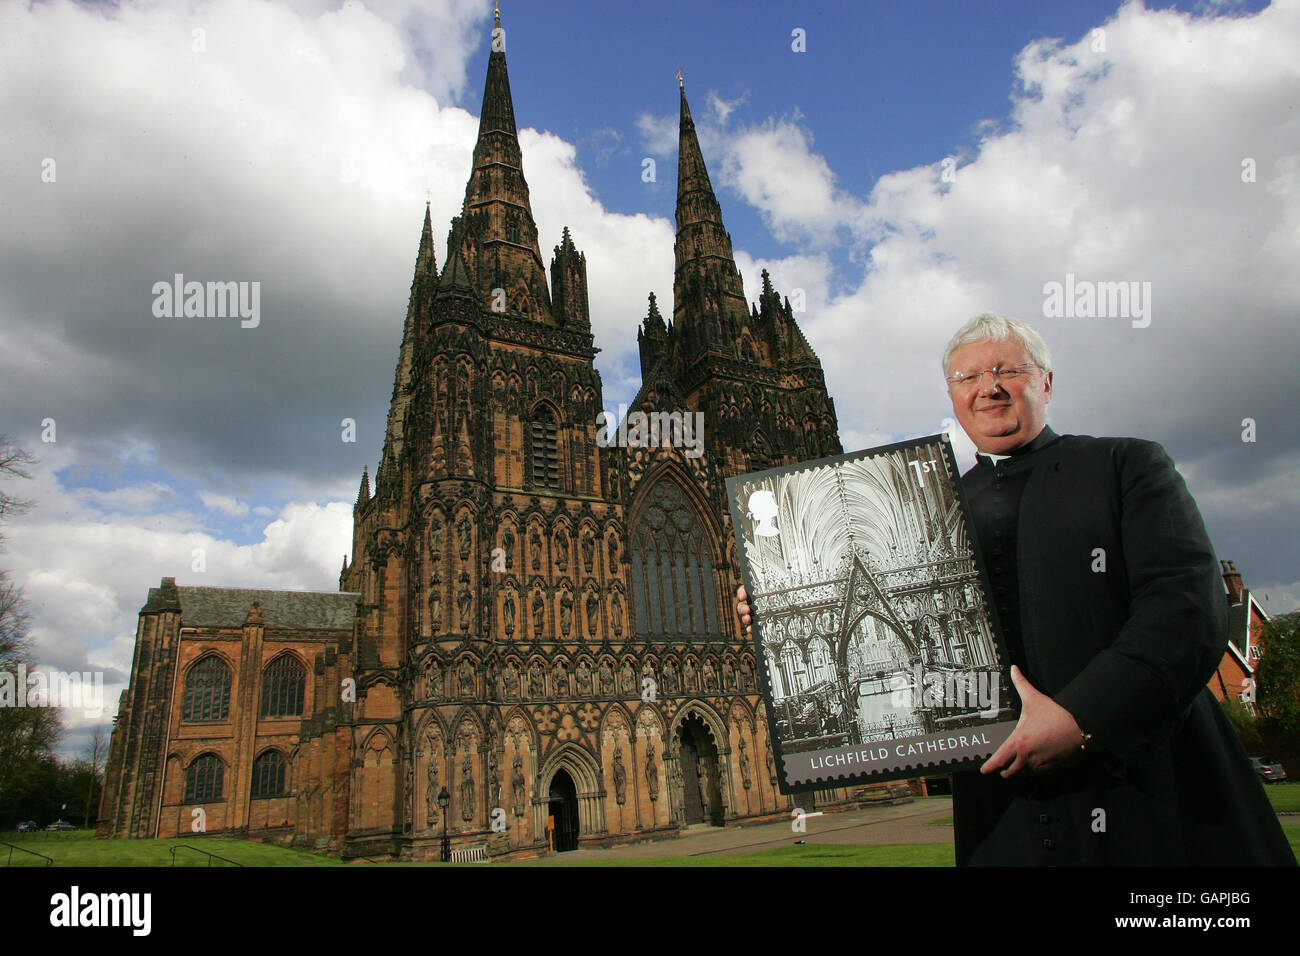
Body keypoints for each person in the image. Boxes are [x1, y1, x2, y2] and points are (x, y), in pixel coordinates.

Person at [736, 314, 1294, 866]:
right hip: (1004, 804)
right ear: (954, 396)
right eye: (969, 378)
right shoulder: (940, 514)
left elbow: (1187, 612)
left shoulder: (1125, 464)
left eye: (1007, 369)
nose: (989, 388)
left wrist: (1080, 718)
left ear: (1045, 382)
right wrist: (769, 605)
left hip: (1151, 783)